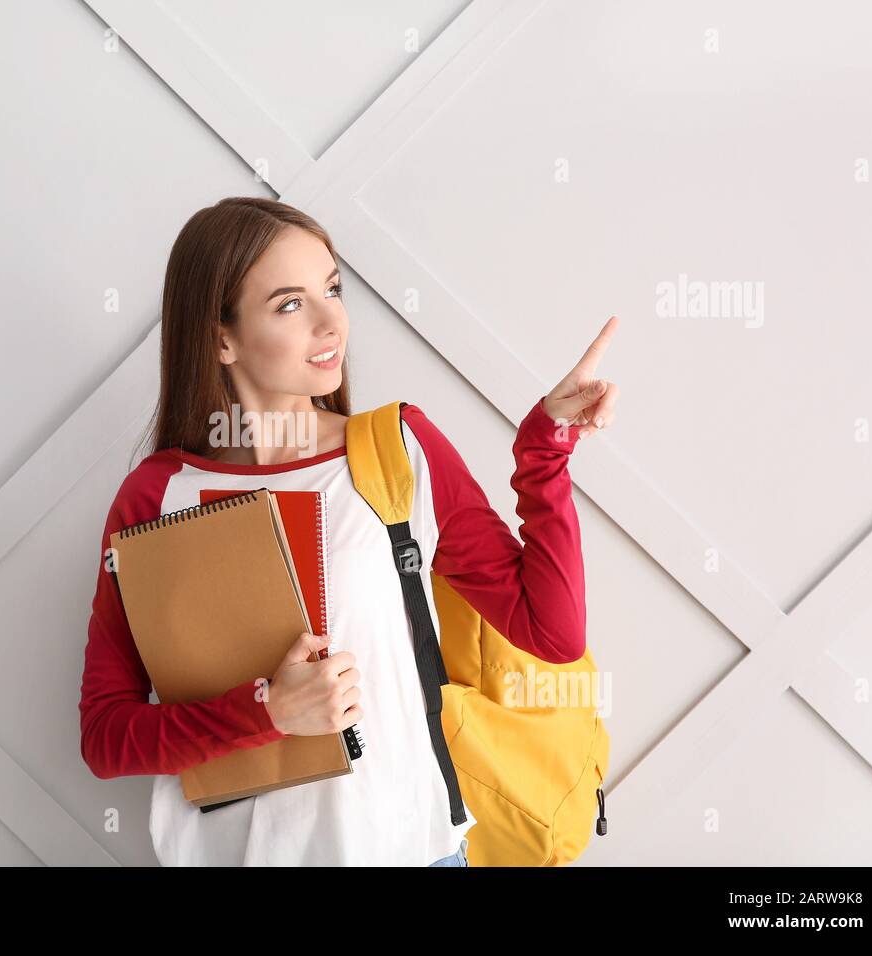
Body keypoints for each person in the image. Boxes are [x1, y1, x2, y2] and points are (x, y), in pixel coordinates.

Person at [78, 196, 619, 866]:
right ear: (221, 337)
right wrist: (268, 713)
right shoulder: (155, 495)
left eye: (332, 288)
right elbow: (106, 738)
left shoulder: (397, 449)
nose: (332, 320)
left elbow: (553, 633)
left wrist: (545, 454)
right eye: (289, 303)